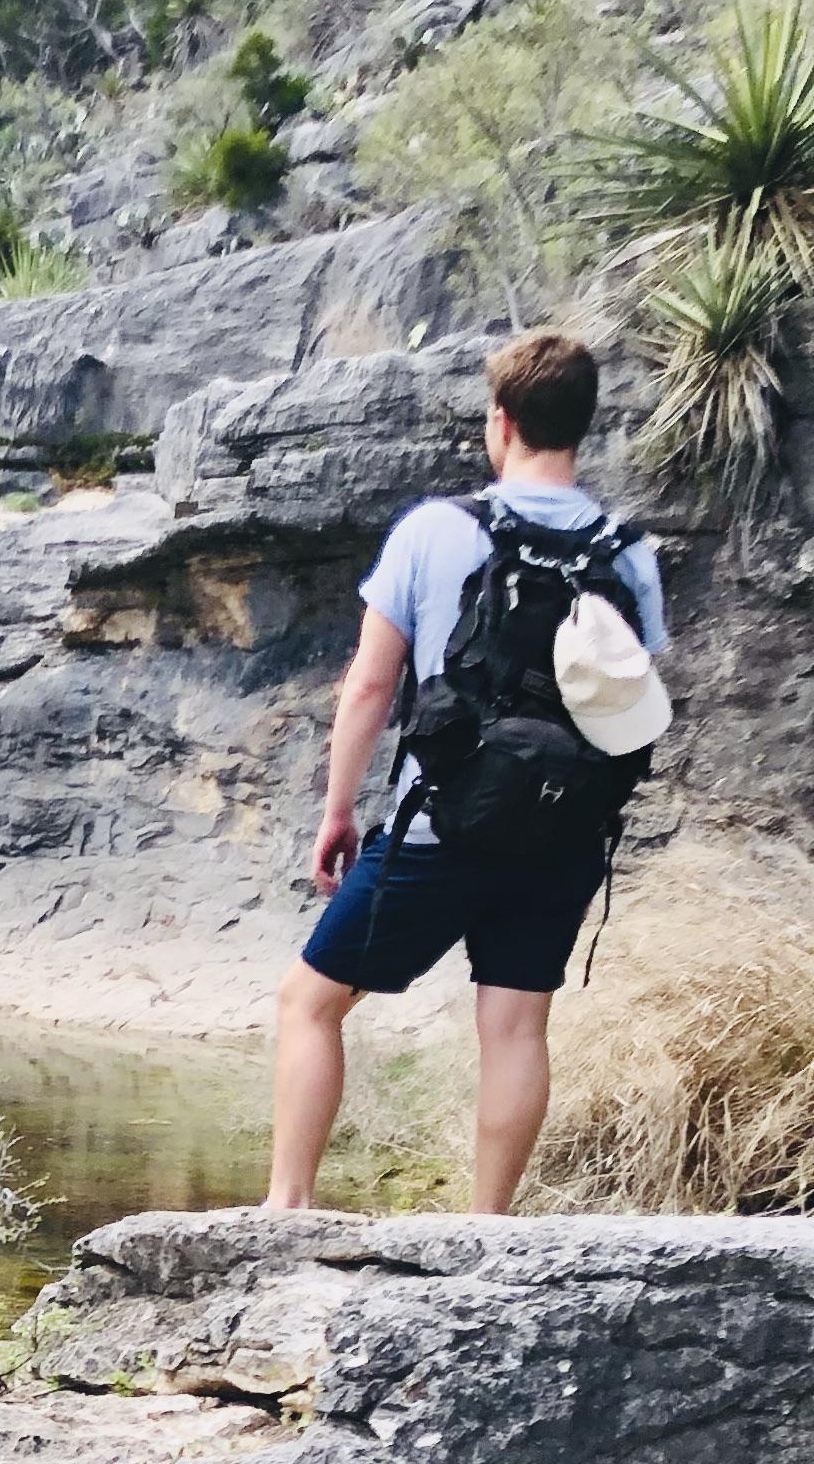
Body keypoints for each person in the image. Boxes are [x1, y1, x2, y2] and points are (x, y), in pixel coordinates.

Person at [265, 327, 666, 1214]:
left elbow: (371, 684)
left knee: (309, 1003)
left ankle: (285, 1210)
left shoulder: (435, 531)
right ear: (580, 427)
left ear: (503, 421)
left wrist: (339, 810)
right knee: (517, 1025)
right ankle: (488, 1233)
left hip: (442, 823)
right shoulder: (629, 553)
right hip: (563, 830)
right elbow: (635, 703)